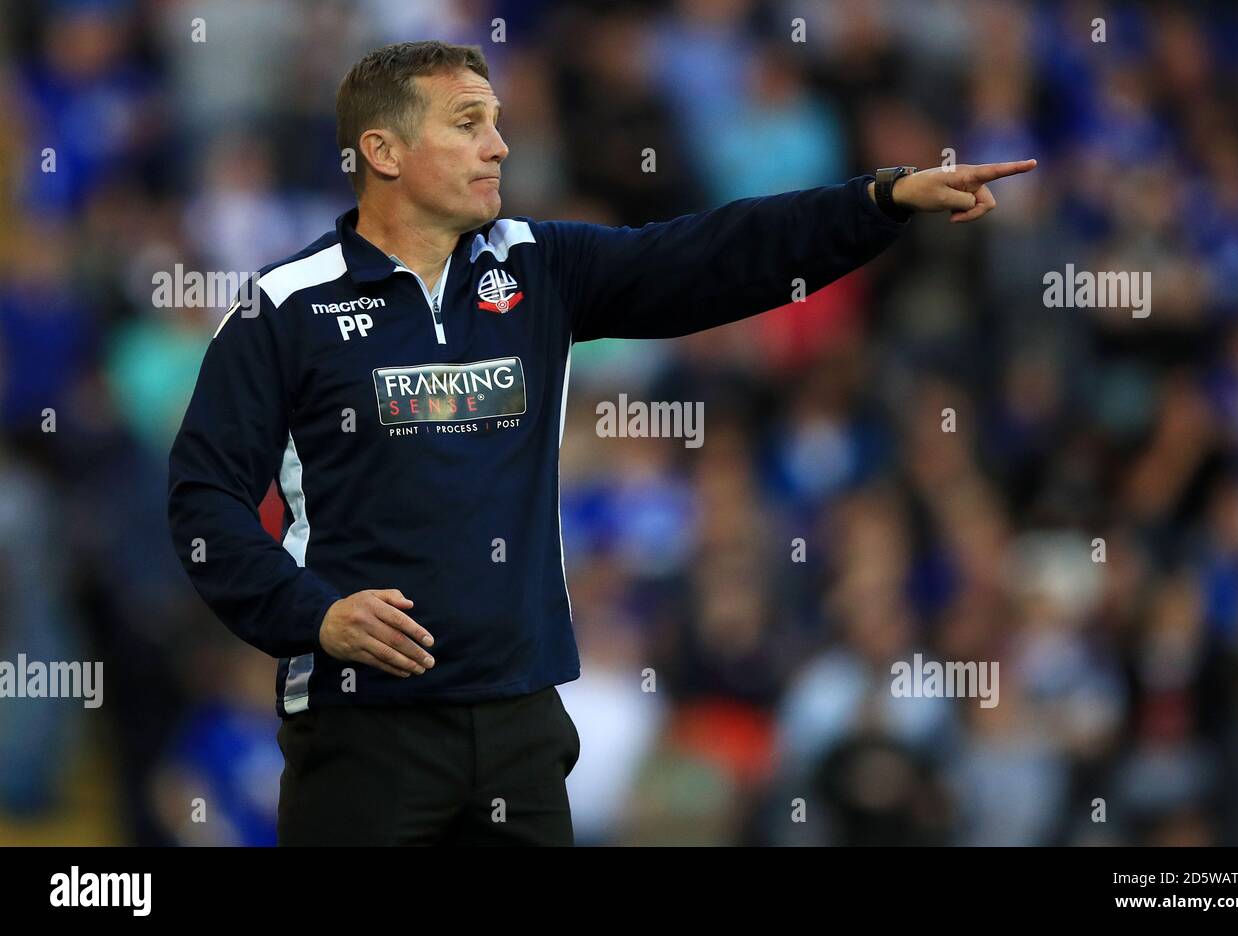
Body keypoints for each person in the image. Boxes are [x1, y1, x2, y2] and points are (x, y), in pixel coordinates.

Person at [166, 39, 1036, 846]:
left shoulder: (538, 269)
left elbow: (715, 255)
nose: (499, 145)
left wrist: (876, 201)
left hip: (520, 721)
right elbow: (204, 501)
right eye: (469, 124)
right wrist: (311, 615)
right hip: (362, 727)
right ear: (384, 152)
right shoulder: (285, 308)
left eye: (498, 122)